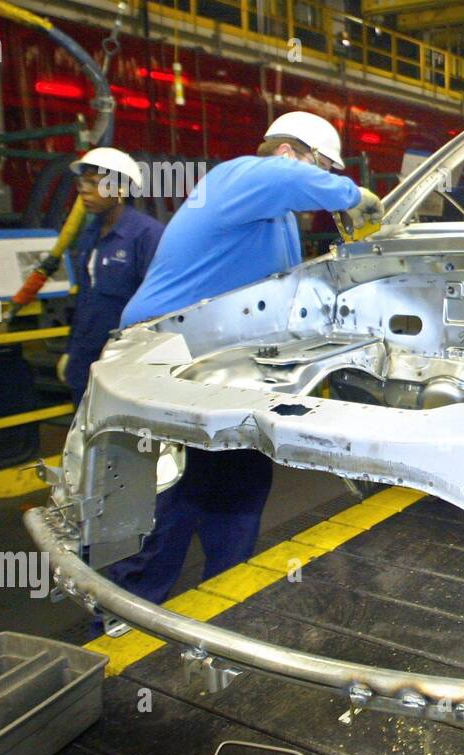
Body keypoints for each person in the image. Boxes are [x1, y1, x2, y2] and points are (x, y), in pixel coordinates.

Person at [107, 112, 383, 606]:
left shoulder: (276, 219)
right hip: (162, 360)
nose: (323, 183)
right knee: (163, 502)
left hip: (225, 370)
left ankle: (227, 597)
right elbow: (290, 178)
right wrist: (355, 197)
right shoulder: (238, 177)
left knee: (238, 486)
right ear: (288, 151)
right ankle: (121, 619)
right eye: (322, 166)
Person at [58, 147, 163, 408]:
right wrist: (72, 350)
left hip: (127, 361)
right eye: (82, 182)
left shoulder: (147, 235)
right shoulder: (90, 234)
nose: (83, 189)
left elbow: (158, 307)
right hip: (87, 357)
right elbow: (85, 299)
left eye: (94, 183)